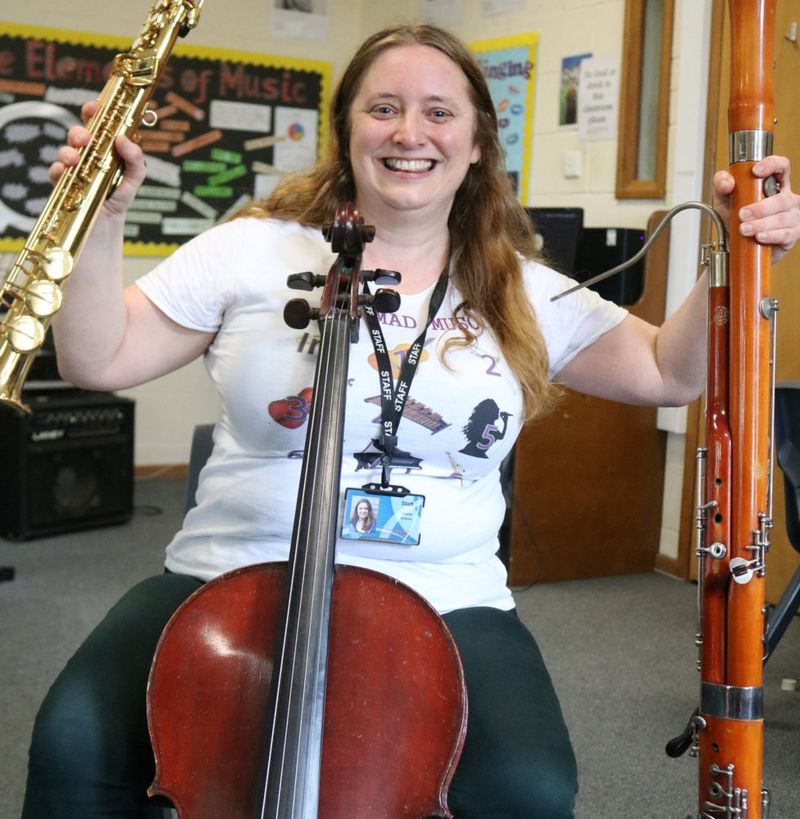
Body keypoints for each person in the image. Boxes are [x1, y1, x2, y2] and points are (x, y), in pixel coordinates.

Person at [22, 22, 800, 819]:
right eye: (383, 107)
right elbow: (98, 359)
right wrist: (102, 218)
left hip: (445, 589)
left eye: (438, 113)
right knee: (75, 739)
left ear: (473, 145)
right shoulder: (248, 251)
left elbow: (668, 371)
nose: (408, 133)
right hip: (230, 567)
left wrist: (734, 252)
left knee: (527, 787)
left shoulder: (522, 290)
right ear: (347, 131)